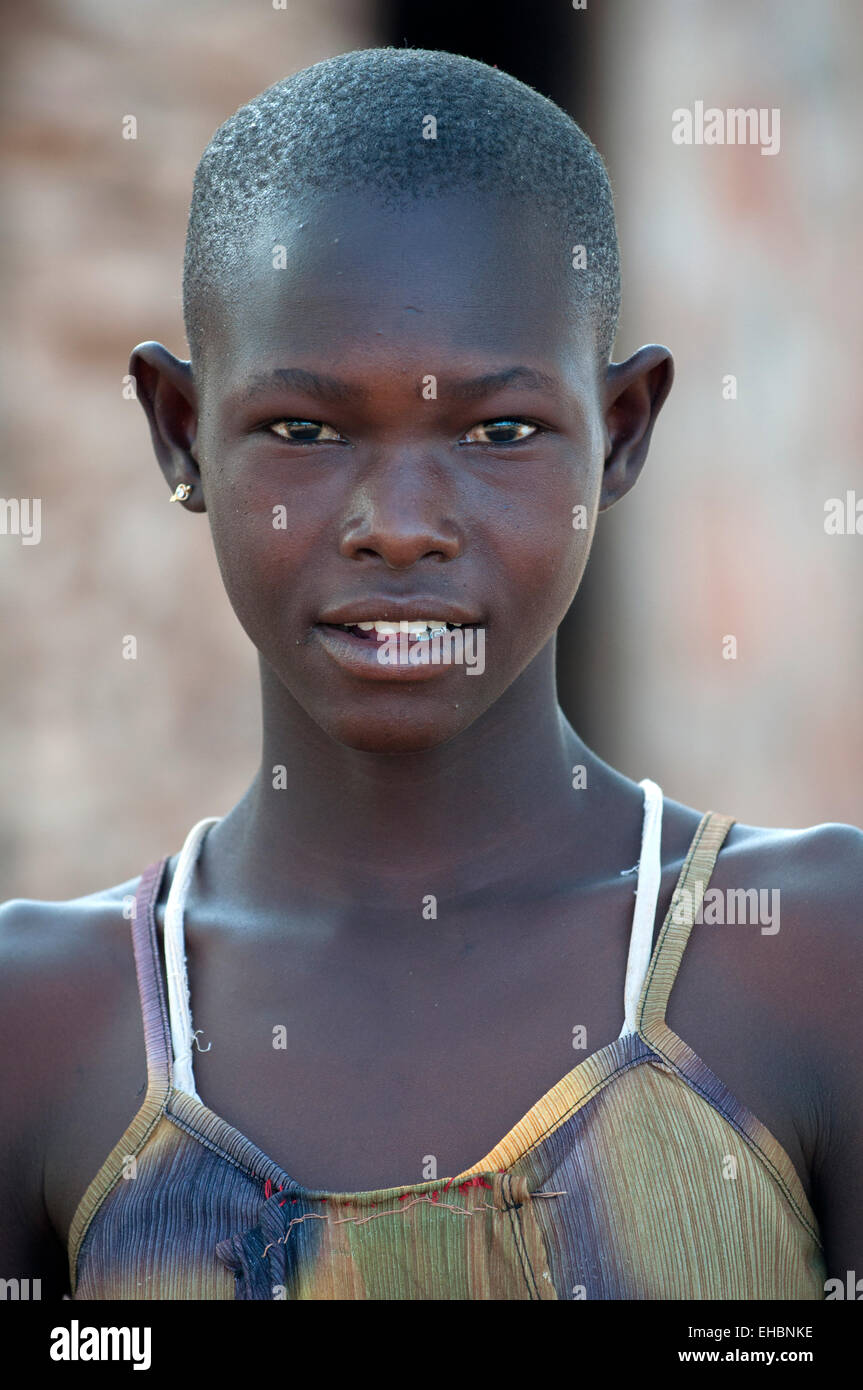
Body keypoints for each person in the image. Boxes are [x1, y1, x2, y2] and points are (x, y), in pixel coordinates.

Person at [1, 46, 860, 1302]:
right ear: (181, 432)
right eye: (303, 429)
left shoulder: (811, 954)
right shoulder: (43, 1024)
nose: (399, 524)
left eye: (497, 430)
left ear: (617, 434)